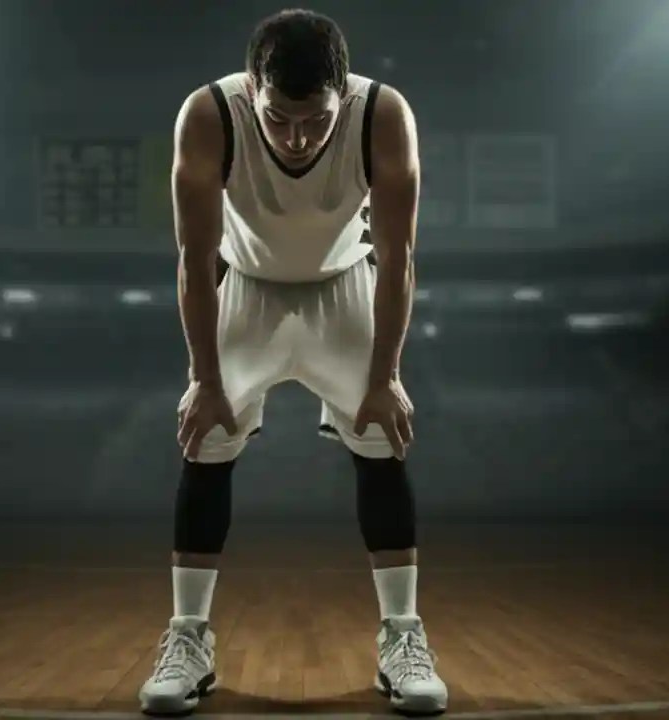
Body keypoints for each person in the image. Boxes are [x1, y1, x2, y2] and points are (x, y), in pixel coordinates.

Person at [139, 8, 447, 716]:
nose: (298, 137)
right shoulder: (209, 113)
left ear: (345, 91)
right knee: (206, 441)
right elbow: (193, 259)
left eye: (316, 121)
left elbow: (399, 258)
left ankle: (403, 637)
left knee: (382, 445)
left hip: (346, 287)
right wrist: (204, 381)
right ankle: (189, 639)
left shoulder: (384, 115)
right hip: (246, 290)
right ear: (251, 90)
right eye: (278, 120)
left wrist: (386, 376)